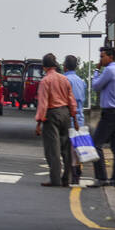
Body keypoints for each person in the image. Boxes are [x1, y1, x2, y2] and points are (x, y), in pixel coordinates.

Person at [90, 45, 115, 187]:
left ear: (110, 57)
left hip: (109, 113)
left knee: (95, 144)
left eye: (102, 56)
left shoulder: (109, 70)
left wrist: (96, 70)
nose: (100, 59)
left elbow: (96, 86)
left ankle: (101, 178)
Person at [35, 53, 78, 187]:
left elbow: (43, 104)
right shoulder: (64, 79)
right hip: (65, 113)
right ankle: (67, 179)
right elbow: (72, 100)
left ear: (44, 67)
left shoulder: (45, 81)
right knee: (66, 148)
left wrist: (39, 123)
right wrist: (74, 118)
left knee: (53, 148)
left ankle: (55, 179)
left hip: (52, 114)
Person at [63, 55, 88, 183]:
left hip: (70, 117)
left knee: (69, 149)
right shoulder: (81, 81)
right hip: (81, 118)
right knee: (77, 148)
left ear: (65, 66)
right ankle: (77, 171)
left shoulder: (65, 79)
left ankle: (73, 173)